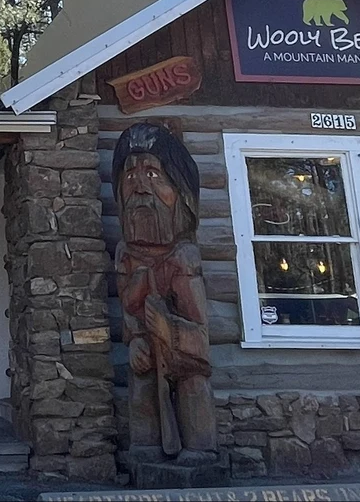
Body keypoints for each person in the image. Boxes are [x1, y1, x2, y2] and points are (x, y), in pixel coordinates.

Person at [113, 122, 217, 464]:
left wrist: (169, 332)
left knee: (192, 383)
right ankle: (145, 447)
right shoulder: (125, 255)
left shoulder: (183, 256)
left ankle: (200, 447)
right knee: (140, 377)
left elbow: (200, 333)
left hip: (185, 356)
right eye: (129, 178)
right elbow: (128, 312)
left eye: (154, 176)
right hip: (148, 349)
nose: (140, 187)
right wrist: (137, 340)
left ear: (181, 194)